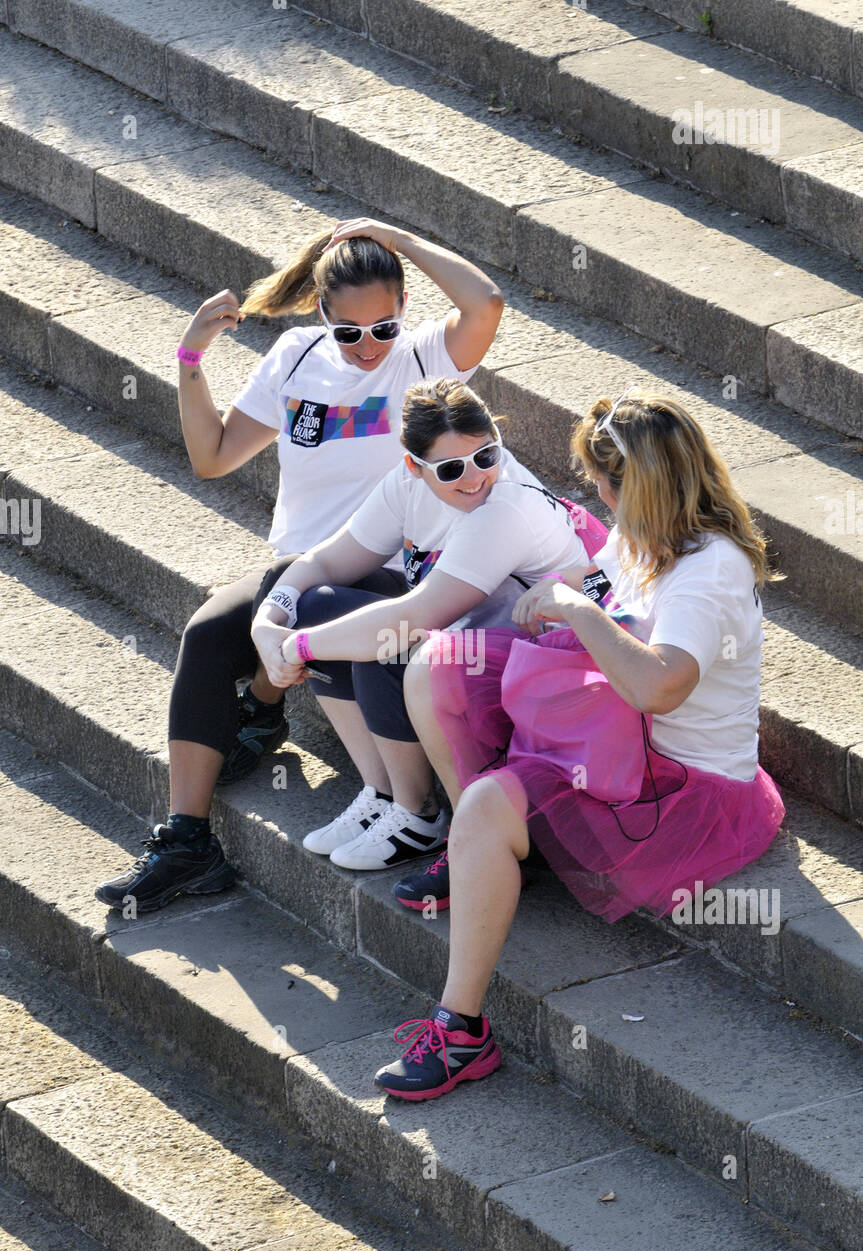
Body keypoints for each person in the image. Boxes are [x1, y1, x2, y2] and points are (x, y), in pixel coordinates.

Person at [374, 388, 787, 1101]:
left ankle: (462, 1032)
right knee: (441, 665)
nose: (591, 492)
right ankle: (493, 857)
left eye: (596, 480)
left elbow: (659, 687)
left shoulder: (706, 573)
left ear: (629, 482)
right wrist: (571, 600)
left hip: (681, 793)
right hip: (620, 741)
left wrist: (574, 610)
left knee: (481, 805)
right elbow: (618, 615)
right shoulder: (650, 536)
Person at [95, 220, 503, 913]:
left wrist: (392, 238)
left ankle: (268, 706)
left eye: (384, 326)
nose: (370, 346)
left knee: (307, 610)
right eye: (350, 332)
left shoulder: (424, 357)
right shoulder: (295, 355)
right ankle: (186, 840)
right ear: (322, 316)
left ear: (403, 308)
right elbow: (212, 457)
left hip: (392, 571)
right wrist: (190, 360)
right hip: (303, 564)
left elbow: (485, 303)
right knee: (203, 633)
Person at [249, 377, 592, 872]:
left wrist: (296, 647)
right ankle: (382, 792)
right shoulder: (405, 485)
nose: (474, 478)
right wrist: (268, 621)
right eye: (451, 468)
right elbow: (324, 562)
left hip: (524, 666)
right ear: (414, 466)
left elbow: (414, 617)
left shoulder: (506, 508)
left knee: (387, 640)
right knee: (309, 596)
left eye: (486, 456)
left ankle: (420, 815)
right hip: (456, 643)